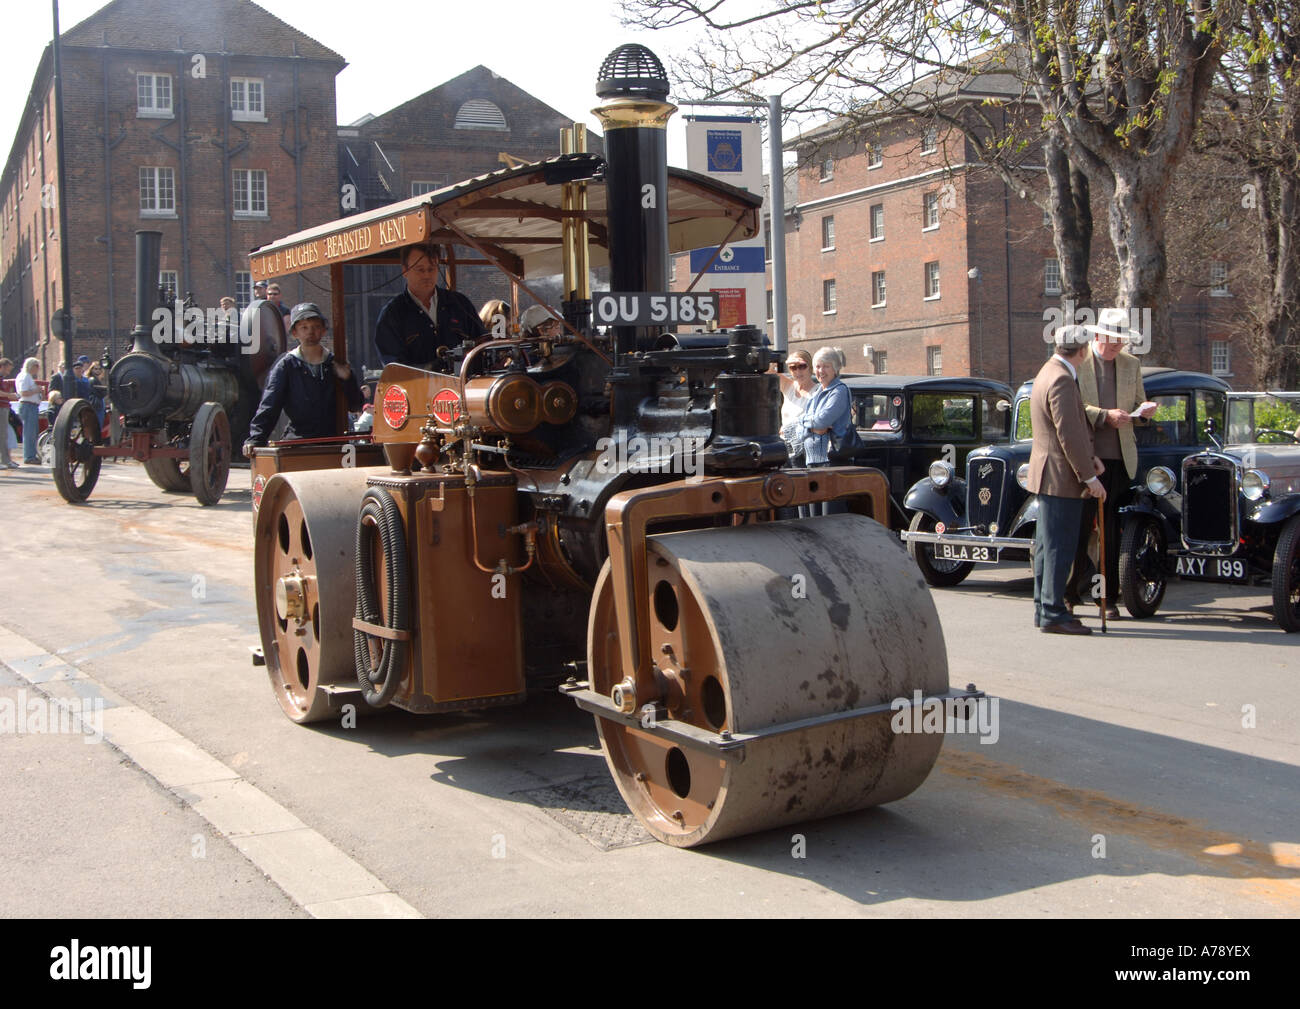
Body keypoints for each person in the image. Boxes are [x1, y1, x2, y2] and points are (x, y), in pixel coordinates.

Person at [1068, 312, 1157, 616]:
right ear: (1097, 338)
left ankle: (1105, 598)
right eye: (1112, 342)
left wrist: (1143, 412)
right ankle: (1070, 594)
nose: (1117, 347)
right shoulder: (1081, 362)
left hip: (1119, 459)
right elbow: (1073, 406)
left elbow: (1137, 404)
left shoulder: (1131, 364)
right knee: (1080, 529)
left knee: (1110, 533)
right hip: (1087, 458)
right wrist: (1105, 416)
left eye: (1121, 342)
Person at [1027, 325, 1107, 635]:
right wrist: (1089, 476)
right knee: (1059, 546)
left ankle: (1044, 607)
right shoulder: (1061, 379)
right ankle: (1054, 612)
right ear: (1083, 351)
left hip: (1049, 473)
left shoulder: (1047, 371)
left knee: (1048, 546)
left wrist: (1090, 459)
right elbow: (1068, 434)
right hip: (1060, 477)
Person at [242, 303, 363, 455]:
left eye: (315, 327)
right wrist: (256, 439)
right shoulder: (286, 365)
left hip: (333, 443)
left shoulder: (336, 364)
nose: (310, 332)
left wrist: (347, 379)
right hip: (298, 442)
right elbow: (269, 406)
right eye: (304, 327)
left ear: (323, 330)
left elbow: (356, 405)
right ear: (295, 333)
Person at [374, 244, 486, 369]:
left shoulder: (459, 303)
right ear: (404, 270)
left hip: (462, 385)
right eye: (420, 269)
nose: (427, 275)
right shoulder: (393, 314)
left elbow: (482, 345)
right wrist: (430, 369)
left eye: (431, 269)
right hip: (417, 388)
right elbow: (394, 368)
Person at [799, 346, 852, 515]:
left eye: (826, 366)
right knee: (813, 520)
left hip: (832, 462)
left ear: (835, 368)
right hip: (812, 462)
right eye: (818, 366)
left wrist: (809, 423)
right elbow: (800, 430)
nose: (821, 371)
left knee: (830, 519)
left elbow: (823, 420)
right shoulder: (815, 395)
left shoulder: (839, 391)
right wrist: (812, 426)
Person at [777, 348, 816, 465]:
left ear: (810, 367)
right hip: (784, 447)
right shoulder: (789, 386)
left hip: (804, 449)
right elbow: (767, 372)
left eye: (802, 366)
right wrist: (787, 360)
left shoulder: (818, 391)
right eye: (793, 367)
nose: (798, 371)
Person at [15, 357, 42, 464]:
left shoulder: (27, 376)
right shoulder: (25, 376)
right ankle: (29, 456)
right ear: (32, 366)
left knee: (32, 432)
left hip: (31, 406)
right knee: (29, 432)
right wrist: (36, 390)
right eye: (37, 366)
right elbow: (23, 392)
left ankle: (31, 455)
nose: (38, 369)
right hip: (28, 406)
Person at [0, 358, 18, 468]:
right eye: (7, 369)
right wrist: (9, 395)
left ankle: (6, 460)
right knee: (2, 435)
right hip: (1, 408)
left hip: (4, 408)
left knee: (5, 435)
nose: (9, 372)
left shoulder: (2, 378)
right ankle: (4, 461)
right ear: (2, 366)